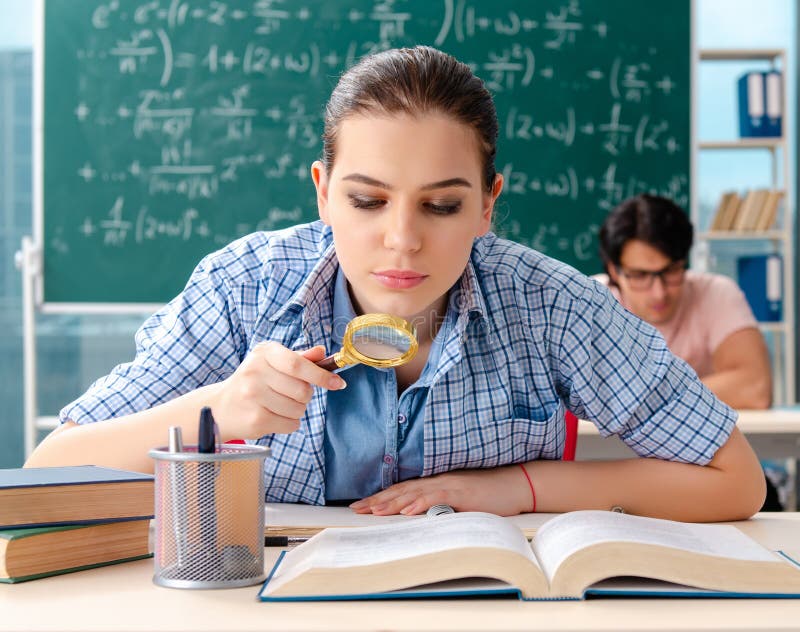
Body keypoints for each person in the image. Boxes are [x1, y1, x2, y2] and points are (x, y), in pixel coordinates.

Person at [26, 46, 765, 522]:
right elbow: (48, 470)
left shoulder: (550, 304)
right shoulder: (241, 290)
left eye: (443, 205)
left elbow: (737, 479)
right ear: (321, 193)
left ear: (488, 202)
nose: (403, 239)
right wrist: (216, 408)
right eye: (367, 200)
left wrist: (518, 489)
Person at [596, 193, 781, 509]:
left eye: (671, 271)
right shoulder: (591, 301)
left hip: (709, 470)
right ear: (614, 270)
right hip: (613, 476)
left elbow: (753, 387)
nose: (659, 292)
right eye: (640, 276)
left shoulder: (716, 292)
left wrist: (631, 399)